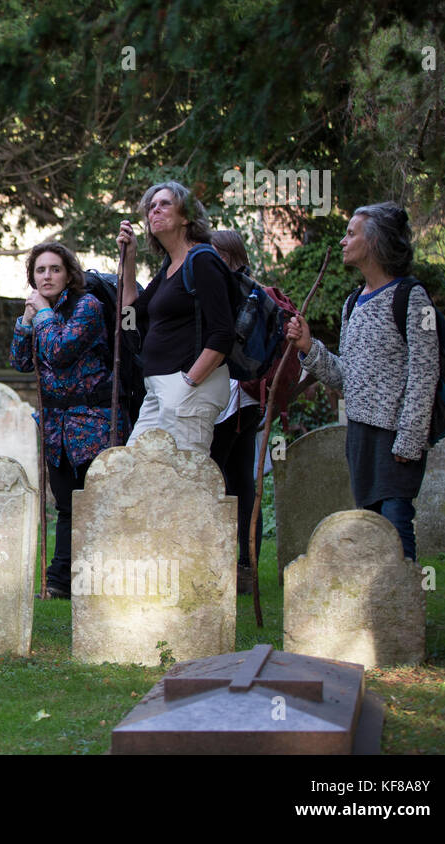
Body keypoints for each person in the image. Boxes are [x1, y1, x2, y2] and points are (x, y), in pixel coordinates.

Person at [284, 202, 439, 560]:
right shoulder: (353, 303)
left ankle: (405, 612)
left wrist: (410, 439)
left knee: (395, 527)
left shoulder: (411, 298)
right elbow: (343, 377)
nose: (342, 241)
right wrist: (309, 347)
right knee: (372, 532)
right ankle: (381, 612)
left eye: (351, 233)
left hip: (396, 437)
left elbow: (425, 371)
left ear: (375, 242)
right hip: (360, 437)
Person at [10, 241, 129, 600]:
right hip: (56, 427)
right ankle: (61, 580)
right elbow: (21, 362)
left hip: (93, 422)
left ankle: (106, 578)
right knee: (65, 506)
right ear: (32, 276)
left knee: (97, 503)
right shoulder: (41, 310)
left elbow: (61, 352)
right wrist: (26, 321)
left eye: (54, 269)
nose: (47, 276)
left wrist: (43, 315)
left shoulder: (87, 307)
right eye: (40, 270)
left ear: (68, 274)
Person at [117, 181, 234, 455]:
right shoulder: (170, 267)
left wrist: (188, 384)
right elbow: (129, 311)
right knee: (136, 469)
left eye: (164, 204)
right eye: (151, 207)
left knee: (183, 480)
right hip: (159, 390)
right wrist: (130, 255)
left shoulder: (203, 260)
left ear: (186, 216)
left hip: (188, 388)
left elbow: (222, 334)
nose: (155, 211)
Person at [207, 230, 263, 593]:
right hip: (242, 397)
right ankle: (239, 560)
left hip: (234, 397)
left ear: (226, 255)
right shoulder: (251, 288)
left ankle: (234, 559)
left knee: (221, 478)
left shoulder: (239, 290)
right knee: (237, 480)